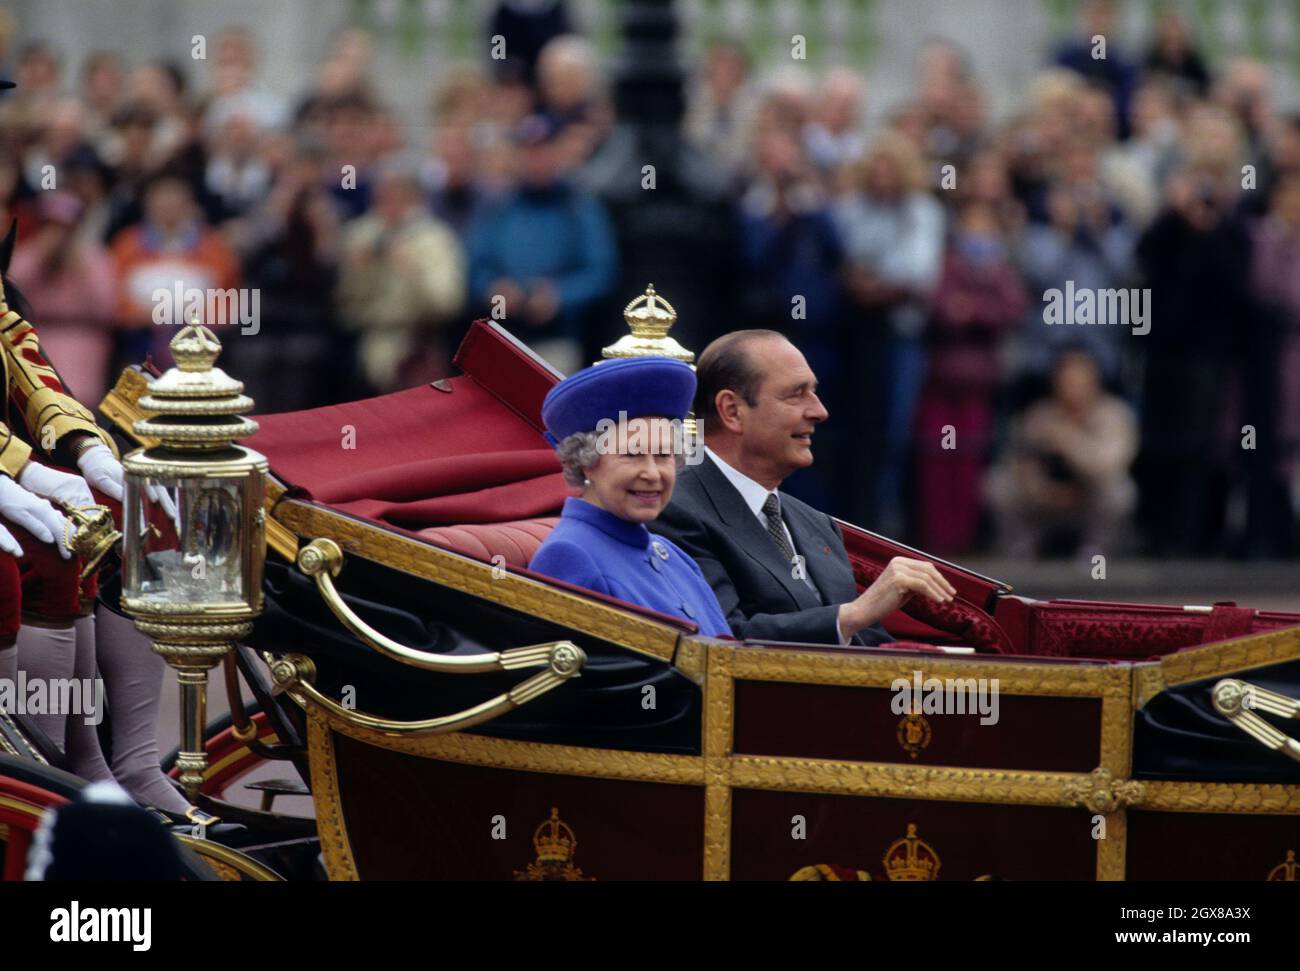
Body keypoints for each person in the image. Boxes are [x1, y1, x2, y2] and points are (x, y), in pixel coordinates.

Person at [650, 330, 955, 646]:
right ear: (732, 411)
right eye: (796, 394)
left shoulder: (818, 526)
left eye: (814, 392)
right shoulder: (675, 511)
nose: (819, 411)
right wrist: (851, 615)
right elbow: (723, 642)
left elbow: (870, 644)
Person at [529, 356, 731, 637]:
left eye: (663, 455)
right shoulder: (569, 556)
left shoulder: (675, 556)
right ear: (586, 461)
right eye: (633, 455)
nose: (652, 473)